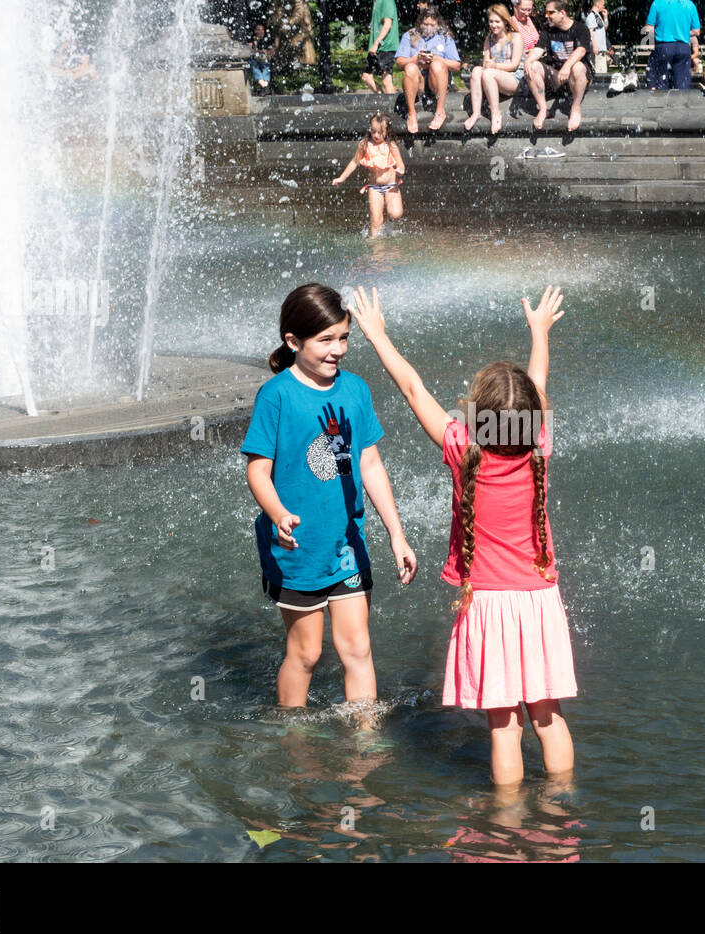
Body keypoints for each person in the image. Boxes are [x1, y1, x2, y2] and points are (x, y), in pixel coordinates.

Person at [347, 285, 576, 788]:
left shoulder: (461, 447)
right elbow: (536, 385)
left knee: (503, 727)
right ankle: (562, 808)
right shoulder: (540, 445)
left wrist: (379, 336)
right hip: (540, 600)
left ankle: (508, 820)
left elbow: (413, 389)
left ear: (479, 414)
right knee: (547, 715)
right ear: (532, 420)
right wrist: (539, 332)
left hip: (490, 605)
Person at [241, 284, 418, 712]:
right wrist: (278, 512)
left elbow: (370, 465)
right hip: (297, 548)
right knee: (307, 653)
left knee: (357, 648)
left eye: (343, 338)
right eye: (325, 340)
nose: (337, 349)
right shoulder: (277, 396)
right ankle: (292, 735)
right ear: (293, 342)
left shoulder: (355, 390)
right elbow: (257, 470)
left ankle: (364, 740)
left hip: (347, 545)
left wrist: (397, 533)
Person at [331, 112, 406, 237]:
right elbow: (354, 162)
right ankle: (375, 245)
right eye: (373, 131)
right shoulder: (364, 144)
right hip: (374, 188)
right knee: (376, 221)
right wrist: (342, 178)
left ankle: (387, 216)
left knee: (396, 213)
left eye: (380, 132)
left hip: (391, 186)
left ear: (387, 131)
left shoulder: (391, 145)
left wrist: (400, 170)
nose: (376, 135)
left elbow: (401, 165)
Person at [528, 0, 594, 131]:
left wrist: (567, 66)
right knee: (532, 66)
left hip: (577, 78)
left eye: (550, 12)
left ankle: (575, 108)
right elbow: (539, 49)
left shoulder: (580, 28)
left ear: (562, 13)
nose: (546, 15)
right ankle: (543, 109)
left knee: (577, 67)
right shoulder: (547, 29)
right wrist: (528, 61)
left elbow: (581, 50)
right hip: (556, 78)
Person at [396, 5, 462, 132]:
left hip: (437, 83)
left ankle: (440, 111)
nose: (428, 28)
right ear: (420, 22)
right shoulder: (410, 35)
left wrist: (437, 59)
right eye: (425, 24)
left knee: (437, 65)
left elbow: (456, 66)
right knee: (410, 67)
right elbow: (399, 63)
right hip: (417, 83)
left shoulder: (445, 37)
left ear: (438, 24)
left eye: (432, 25)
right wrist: (417, 59)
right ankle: (412, 114)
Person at [465, 6, 524, 133]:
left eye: (497, 21)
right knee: (476, 70)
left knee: (488, 73)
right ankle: (476, 113)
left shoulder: (516, 37)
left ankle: (496, 113)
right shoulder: (489, 39)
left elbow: (514, 65)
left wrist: (494, 66)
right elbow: (486, 62)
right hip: (493, 76)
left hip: (514, 78)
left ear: (505, 21)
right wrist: (489, 65)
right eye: (491, 21)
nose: (493, 25)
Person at [643, 0, 701, 90]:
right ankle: (680, 102)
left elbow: (648, 29)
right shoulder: (690, 5)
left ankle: (658, 99)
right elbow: (696, 31)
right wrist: (683, 33)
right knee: (682, 86)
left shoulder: (657, 3)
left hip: (663, 47)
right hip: (683, 48)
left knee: (657, 81)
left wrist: (661, 32)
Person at [361, 0, 400, 94]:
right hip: (379, 47)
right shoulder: (377, 2)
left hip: (386, 46)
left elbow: (388, 24)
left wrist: (376, 43)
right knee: (366, 76)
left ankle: (392, 106)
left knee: (386, 79)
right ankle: (383, 101)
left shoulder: (387, 1)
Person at [248, 21, 278, 92]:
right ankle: (264, 84)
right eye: (258, 30)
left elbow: (271, 51)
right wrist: (254, 46)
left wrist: (264, 51)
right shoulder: (252, 39)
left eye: (262, 30)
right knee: (254, 65)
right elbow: (251, 50)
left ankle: (264, 85)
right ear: (255, 31)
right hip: (255, 60)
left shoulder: (268, 39)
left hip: (265, 59)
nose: (261, 31)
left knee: (266, 65)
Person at [584, 0, 611, 75]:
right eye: (603, 5)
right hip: (596, 50)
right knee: (598, 73)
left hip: (601, 49)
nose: (604, 7)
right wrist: (594, 46)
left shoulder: (597, 15)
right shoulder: (591, 16)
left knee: (602, 72)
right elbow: (590, 32)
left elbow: (604, 28)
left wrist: (605, 17)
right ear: (598, 5)